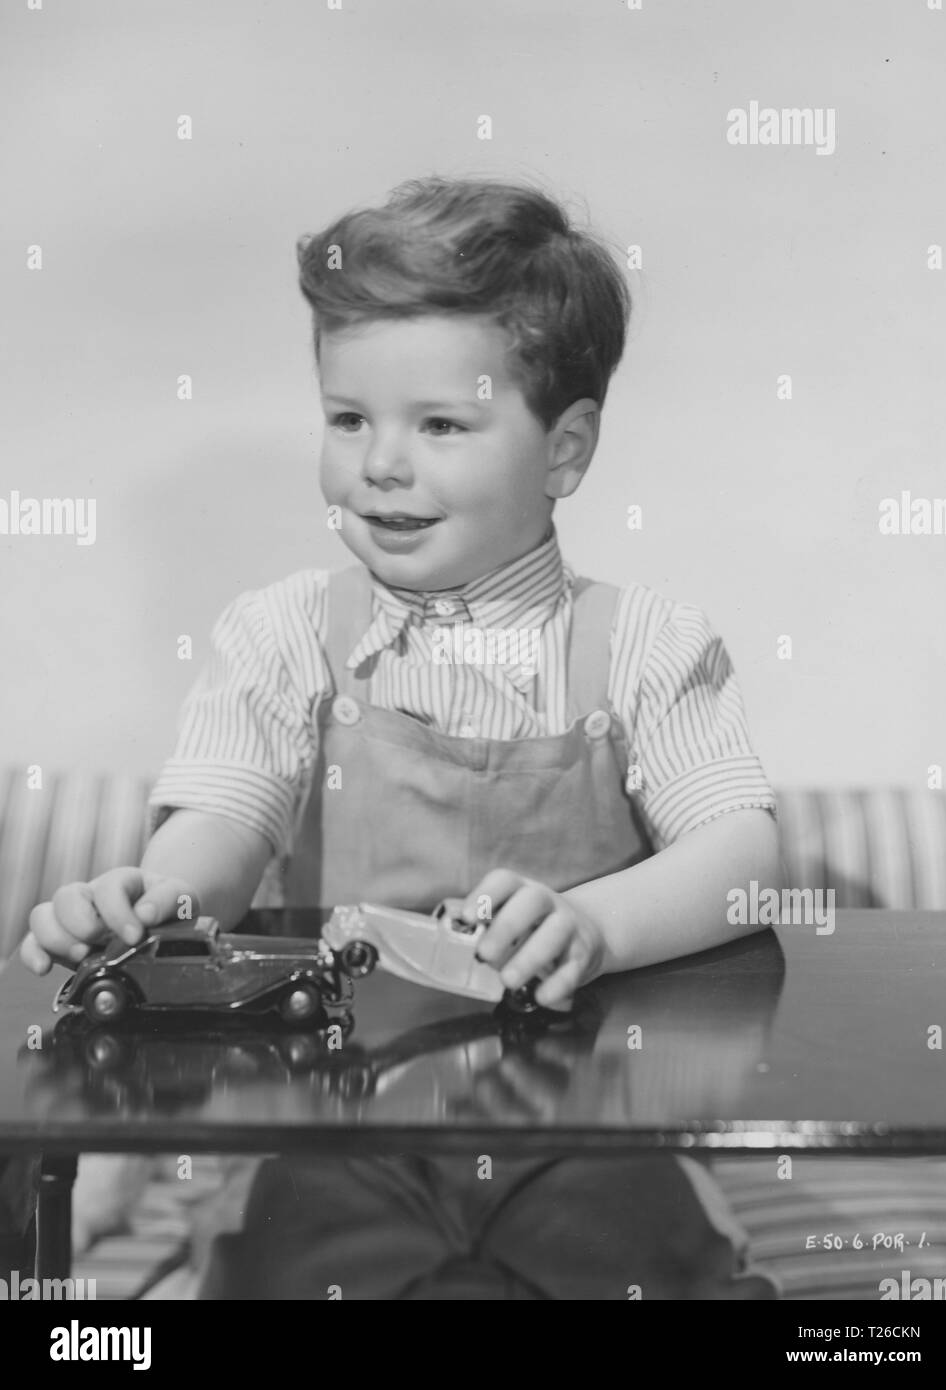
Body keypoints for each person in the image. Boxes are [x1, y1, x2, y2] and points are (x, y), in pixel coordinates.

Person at [21, 177, 785, 1299]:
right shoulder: (283, 633)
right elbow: (224, 826)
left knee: (638, 1269)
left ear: (564, 450)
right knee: (293, 1266)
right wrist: (157, 903)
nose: (381, 462)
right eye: (348, 419)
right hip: (338, 1123)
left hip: (589, 1132)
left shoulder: (642, 645)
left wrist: (592, 923)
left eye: (439, 424)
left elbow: (744, 856)